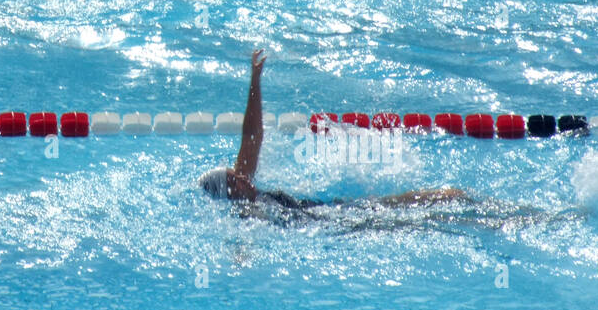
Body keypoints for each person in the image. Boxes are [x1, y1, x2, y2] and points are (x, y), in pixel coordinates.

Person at [199, 50, 466, 218]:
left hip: (328, 209)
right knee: (401, 213)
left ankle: (459, 205)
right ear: (231, 193)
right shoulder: (249, 211)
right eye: (235, 180)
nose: (243, 179)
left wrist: (255, 81)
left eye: (237, 175)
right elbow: (245, 241)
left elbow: (252, 135)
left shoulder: (246, 189)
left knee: (407, 204)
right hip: (331, 223)